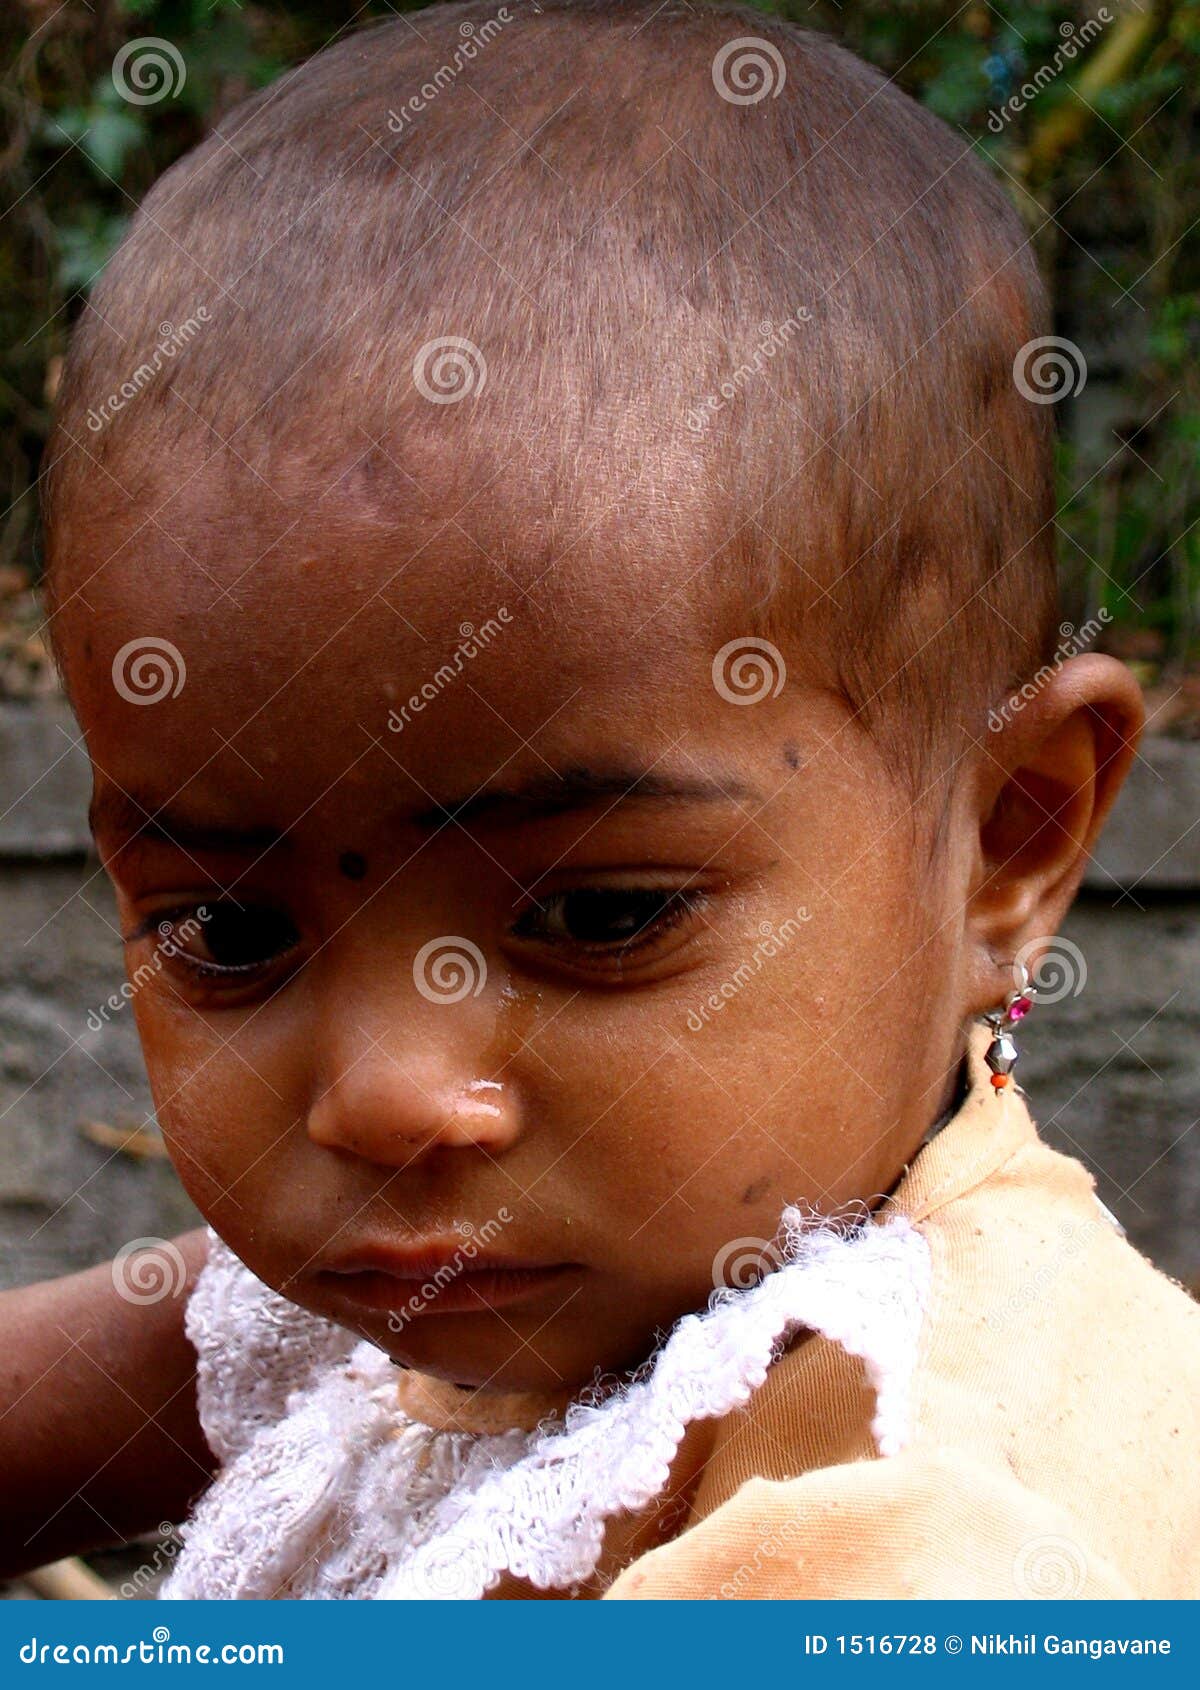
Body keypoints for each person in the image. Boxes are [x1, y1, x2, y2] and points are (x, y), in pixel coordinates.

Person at [5, 0, 1195, 1598]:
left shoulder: (911, 1521)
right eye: (227, 927)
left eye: (598, 914)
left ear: (1009, 842)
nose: (386, 1095)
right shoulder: (453, 1298)